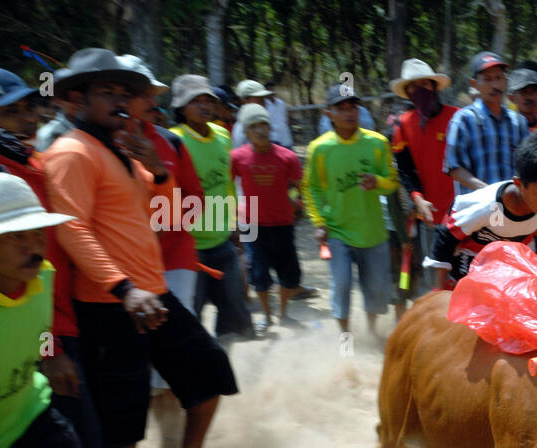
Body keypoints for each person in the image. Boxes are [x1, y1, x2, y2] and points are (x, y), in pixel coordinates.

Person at [43, 49, 240, 448]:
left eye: (124, 93)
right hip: (112, 301)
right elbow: (72, 228)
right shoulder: (72, 152)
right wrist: (122, 288)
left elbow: (164, 210)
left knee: (210, 370)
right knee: (124, 402)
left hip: (152, 292)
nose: (118, 101)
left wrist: (160, 170)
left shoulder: (122, 148)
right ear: (77, 99)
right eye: (105, 93)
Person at [0, 174, 98, 448]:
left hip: (27, 412)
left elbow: (39, 326)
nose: (33, 245)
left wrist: (51, 351)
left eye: (37, 232)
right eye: (16, 236)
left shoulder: (44, 275)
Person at [118, 55, 215, 448]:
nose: (147, 102)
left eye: (150, 94)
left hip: (174, 263)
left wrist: (160, 182)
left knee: (179, 363)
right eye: (138, 95)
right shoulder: (90, 144)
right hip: (120, 273)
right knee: (137, 369)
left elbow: (195, 205)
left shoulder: (171, 145)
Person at [428, 129, 537, 290]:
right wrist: (439, 290)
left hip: (511, 263)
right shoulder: (489, 207)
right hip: (471, 264)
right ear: (519, 184)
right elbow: (446, 237)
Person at [303, 83, 399, 337]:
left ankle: (370, 332)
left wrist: (377, 182)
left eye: (353, 107)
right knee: (342, 284)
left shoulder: (377, 143)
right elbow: (311, 188)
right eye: (341, 108)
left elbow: (392, 182)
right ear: (328, 113)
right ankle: (345, 338)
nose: (349, 113)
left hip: (373, 231)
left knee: (376, 289)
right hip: (338, 231)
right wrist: (318, 222)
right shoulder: (319, 149)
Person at [171, 73, 256, 340]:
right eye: (195, 101)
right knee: (189, 318)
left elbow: (228, 185)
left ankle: (236, 368)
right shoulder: (173, 140)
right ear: (181, 107)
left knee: (235, 314)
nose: (204, 105)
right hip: (189, 249)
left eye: (208, 99)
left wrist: (235, 226)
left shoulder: (222, 135)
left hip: (223, 244)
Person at [230, 102, 307, 326]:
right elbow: (226, 186)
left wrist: (294, 200)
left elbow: (298, 185)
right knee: (259, 275)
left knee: (289, 274)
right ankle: (266, 316)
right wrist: (231, 216)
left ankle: (283, 314)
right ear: (246, 132)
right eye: (254, 126)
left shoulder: (287, 156)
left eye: (264, 124)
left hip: (283, 222)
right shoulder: (236, 157)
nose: (261, 130)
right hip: (251, 223)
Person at [390, 58, 459, 300]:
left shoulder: (458, 118)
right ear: (408, 93)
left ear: (434, 86)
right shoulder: (402, 125)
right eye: (413, 86)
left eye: (424, 84)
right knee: (437, 280)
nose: (420, 90)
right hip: (430, 217)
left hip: (464, 214)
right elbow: (405, 170)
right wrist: (417, 199)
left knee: (465, 278)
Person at [444, 51, 529, 195]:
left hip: (513, 211)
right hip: (475, 211)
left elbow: (527, 165)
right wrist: (491, 194)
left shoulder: (519, 123)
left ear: (505, 81)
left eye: (499, 78)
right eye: (487, 79)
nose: (495, 85)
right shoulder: (463, 120)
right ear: (475, 84)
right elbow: (454, 167)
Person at [230, 79, 291, 148]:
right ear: (244, 101)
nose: (264, 104)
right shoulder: (241, 128)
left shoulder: (262, 119)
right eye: (260, 100)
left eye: (264, 99)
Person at [508, 63, 537, 131]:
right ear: (512, 98)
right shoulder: (508, 127)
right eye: (524, 92)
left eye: (534, 91)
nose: (530, 97)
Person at [262, 81, 295, 147]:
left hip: (284, 134)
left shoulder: (281, 103)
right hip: (272, 137)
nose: (271, 91)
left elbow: (287, 116)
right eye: (269, 89)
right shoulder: (263, 105)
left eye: (272, 89)